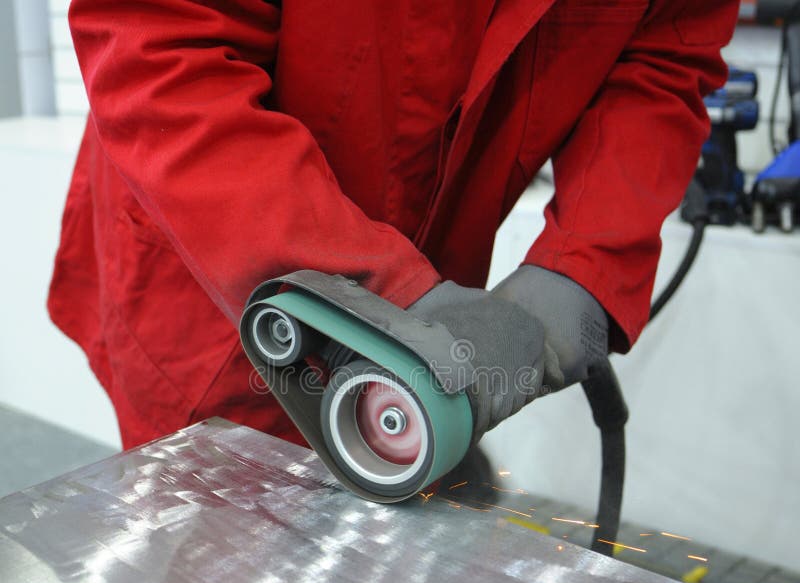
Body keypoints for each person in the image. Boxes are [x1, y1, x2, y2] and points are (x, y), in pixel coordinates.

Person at [49, 0, 739, 449]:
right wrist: (374, 291)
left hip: (429, 294)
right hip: (209, 270)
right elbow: (162, 43)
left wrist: (582, 268)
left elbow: (661, 59)